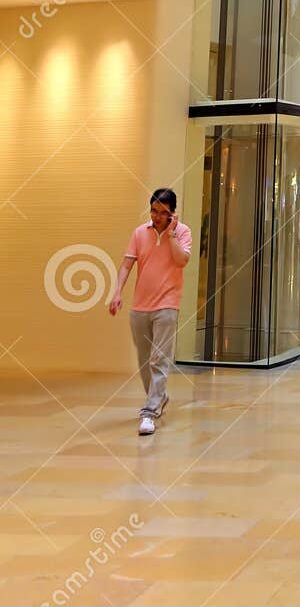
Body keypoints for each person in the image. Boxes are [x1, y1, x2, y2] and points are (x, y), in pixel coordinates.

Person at [108, 187, 192, 436]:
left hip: (167, 304)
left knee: (159, 359)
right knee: (145, 360)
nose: (156, 216)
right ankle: (159, 397)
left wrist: (172, 235)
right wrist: (117, 293)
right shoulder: (139, 233)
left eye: (162, 212)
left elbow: (182, 261)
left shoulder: (183, 232)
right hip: (140, 305)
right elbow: (126, 266)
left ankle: (150, 412)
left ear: (172, 213)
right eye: (154, 211)